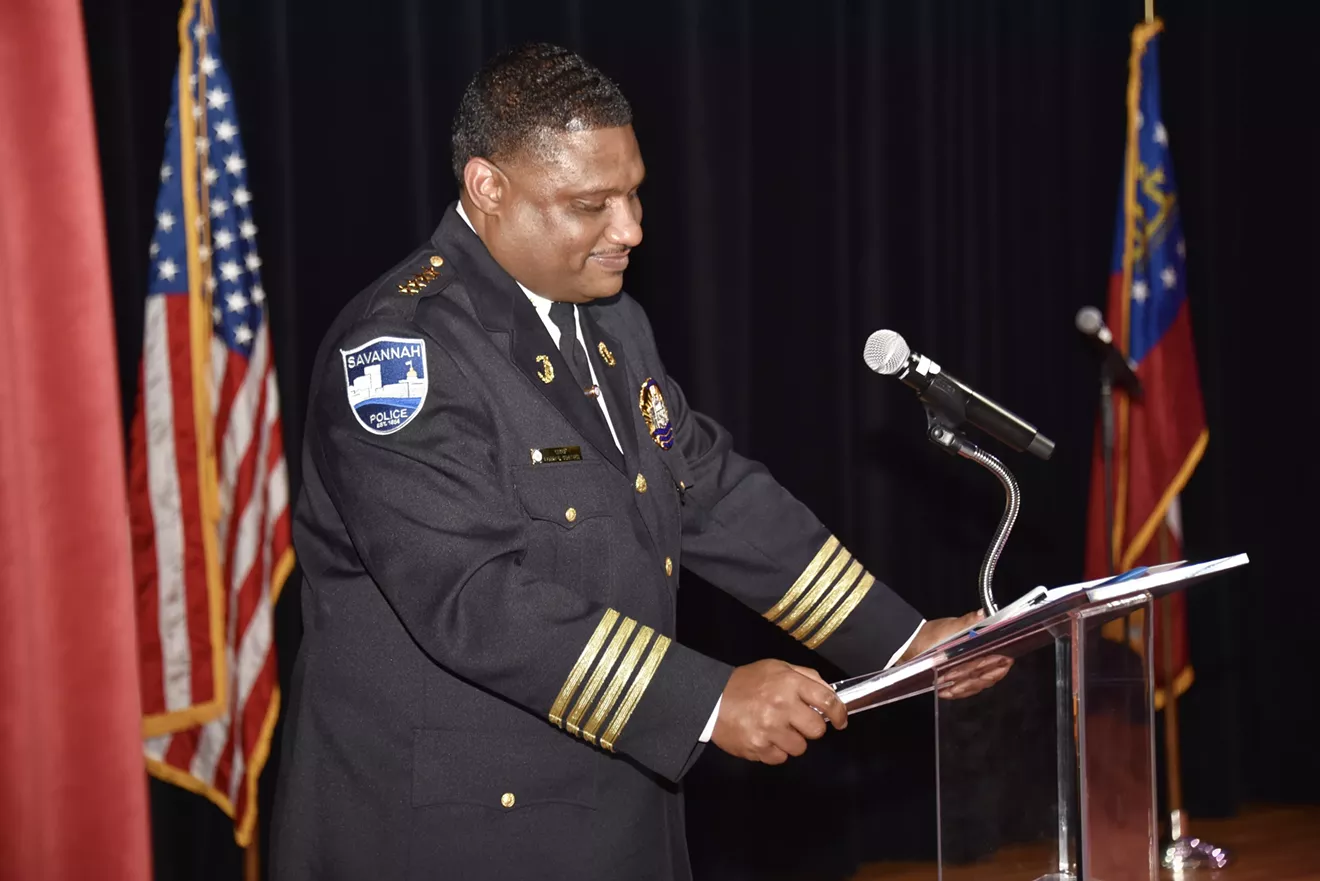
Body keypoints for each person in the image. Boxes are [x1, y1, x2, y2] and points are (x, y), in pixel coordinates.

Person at [270, 42, 1008, 881]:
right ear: (488, 188)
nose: (631, 230)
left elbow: (714, 496)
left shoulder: (610, 324)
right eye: (592, 204)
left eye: (633, 193)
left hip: (611, 812)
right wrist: (709, 700)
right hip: (454, 837)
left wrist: (904, 640)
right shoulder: (399, 352)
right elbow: (474, 598)